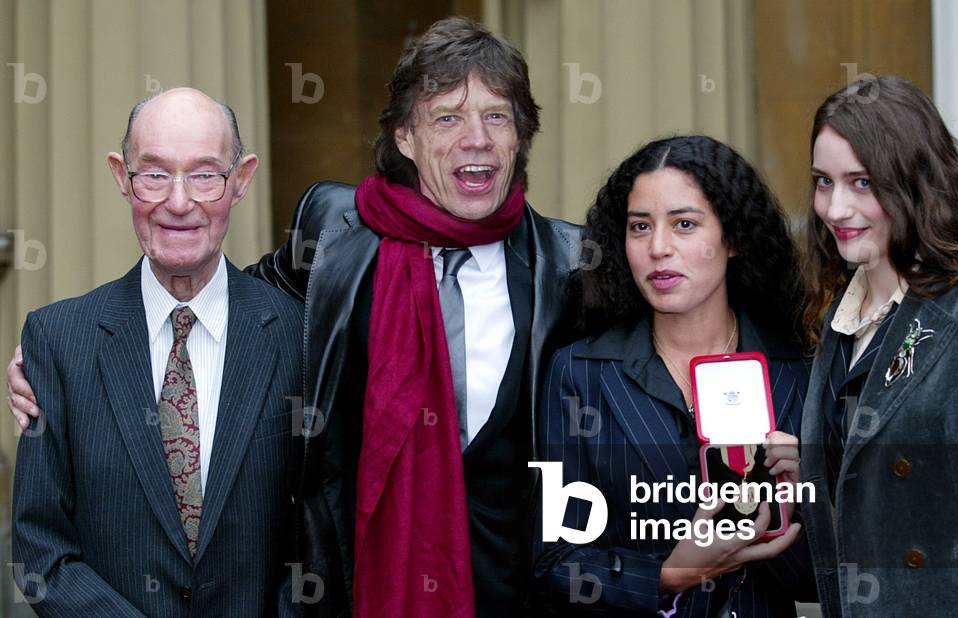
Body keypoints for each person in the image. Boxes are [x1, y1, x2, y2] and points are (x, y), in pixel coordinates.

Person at [8, 17, 578, 617]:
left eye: (497, 116)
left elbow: (644, 358)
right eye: (447, 117)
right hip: (376, 592)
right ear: (406, 137)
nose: (477, 138)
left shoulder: (568, 267)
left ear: (520, 136)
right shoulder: (339, 234)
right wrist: (52, 355)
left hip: (518, 590)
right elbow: (223, 296)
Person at [9, 88, 303, 616]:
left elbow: (325, 535)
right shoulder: (58, 342)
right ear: (121, 176)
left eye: (205, 174)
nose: (179, 201)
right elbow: (40, 549)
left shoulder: (298, 338)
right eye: (155, 173)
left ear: (241, 179)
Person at [532, 135, 815, 616]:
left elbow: (823, 578)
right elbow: (554, 561)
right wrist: (671, 574)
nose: (658, 248)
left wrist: (798, 498)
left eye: (684, 224)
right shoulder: (580, 374)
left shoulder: (798, 370)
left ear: (734, 238)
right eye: (640, 227)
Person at [799, 75, 958, 616]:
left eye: (861, 183)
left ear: (914, 183)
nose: (834, 209)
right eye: (823, 182)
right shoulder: (837, 318)